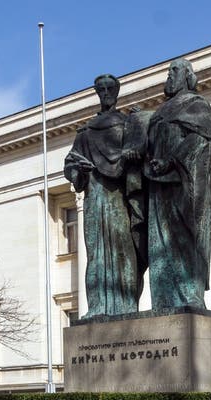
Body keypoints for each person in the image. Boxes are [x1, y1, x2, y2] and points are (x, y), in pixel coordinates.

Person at [64, 74, 147, 318]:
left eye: (110, 88)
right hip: (96, 197)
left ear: (117, 91)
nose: (106, 92)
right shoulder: (86, 133)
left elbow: (143, 155)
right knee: (96, 253)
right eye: (101, 89)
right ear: (97, 92)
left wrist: (135, 149)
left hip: (120, 198)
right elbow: (71, 163)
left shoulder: (127, 124)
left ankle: (126, 307)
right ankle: (98, 307)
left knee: (124, 252)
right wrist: (77, 170)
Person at [145, 58, 211, 310]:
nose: (169, 76)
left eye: (174, 71)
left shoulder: (197, 105)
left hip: (182, 183)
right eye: (168, 71)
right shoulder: (160, 112)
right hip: (158, 184)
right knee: (160, 243)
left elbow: (201, 141)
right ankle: (164, 300)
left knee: (184, 238)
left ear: (188, 76)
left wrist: (170, 161)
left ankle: (190, 296)